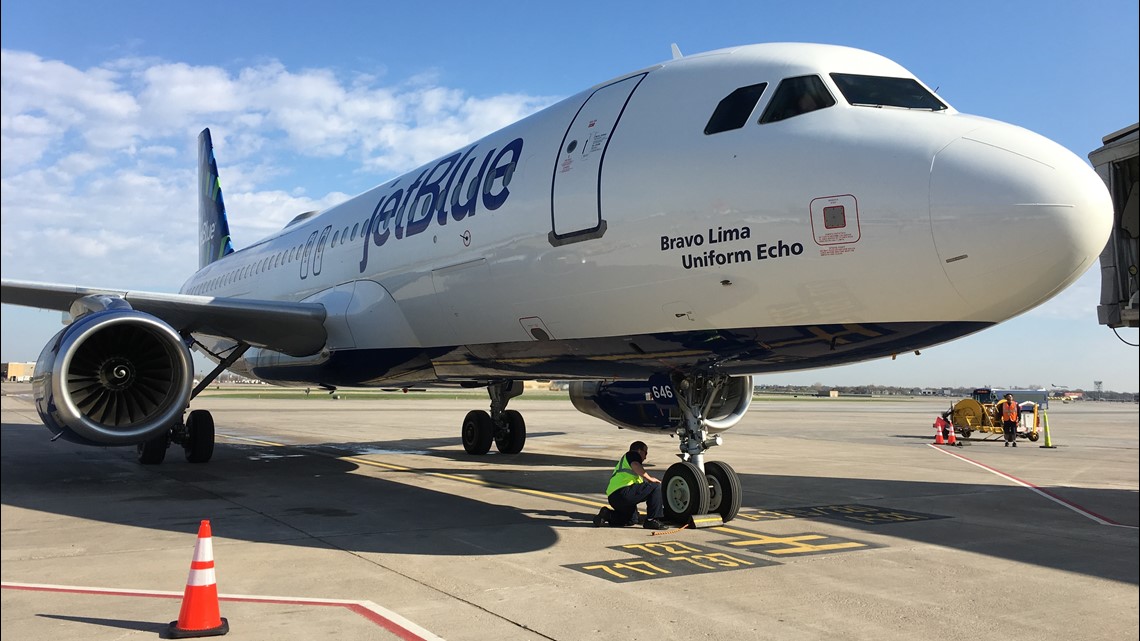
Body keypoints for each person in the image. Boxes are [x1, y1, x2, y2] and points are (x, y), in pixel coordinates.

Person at [593, 440, 669, 530]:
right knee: (656, 486)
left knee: (632, 520)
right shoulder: (632, 454)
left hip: (614, 497)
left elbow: (639, 490)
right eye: (645, 453)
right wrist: (650, 479)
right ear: (639, 451)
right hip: (623, 492)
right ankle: (651, 520)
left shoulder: (626, 466)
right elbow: (635, 464)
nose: (645, 457)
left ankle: (607, 514)